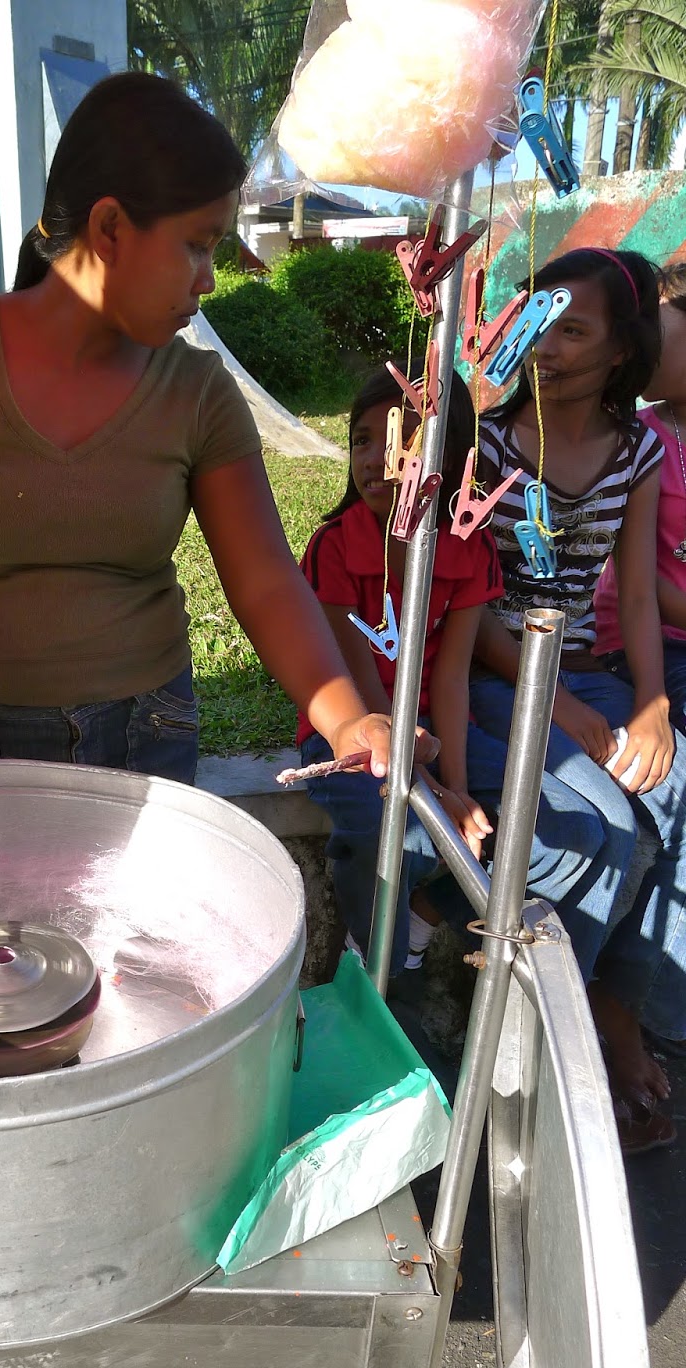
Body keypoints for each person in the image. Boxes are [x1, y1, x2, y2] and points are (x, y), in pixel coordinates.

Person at [0, 72, 430, 793]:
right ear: (108, 229)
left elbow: (264, 583)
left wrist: (347, 718)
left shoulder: (197, 394)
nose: (208, 281)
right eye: (197, 246)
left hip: (146, 734)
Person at [469, 245, 685, 1154]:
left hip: (588, 672)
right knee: (614, 831)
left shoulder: (637, 450)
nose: (547, 346)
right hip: (494, 671)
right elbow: (466, 608)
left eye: (575, 331)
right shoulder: (481, 443)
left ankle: (623, 1007)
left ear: (620, 354)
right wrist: (554, 704)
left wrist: (651, 705)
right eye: (538, 323)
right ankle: (562, 1035)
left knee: (675, 793)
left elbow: (635, 594)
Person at [300, 364, 606, 978]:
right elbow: (359, 697)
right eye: (364, 440)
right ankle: (373, 967)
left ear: (454, 456)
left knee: (577, 838)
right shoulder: (336, 547)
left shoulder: (468, 546)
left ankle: (421, 922)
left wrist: (459, 790)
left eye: (403, 441)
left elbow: (451, 680)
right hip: (359, 740)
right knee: (404, 834)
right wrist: (438, 799)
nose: (377, 460)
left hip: (440, 736)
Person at [595, 261, 686, 730]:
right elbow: (641, 577)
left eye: (659, 333)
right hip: (646, 642)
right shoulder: (639, 441)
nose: (642, 348)